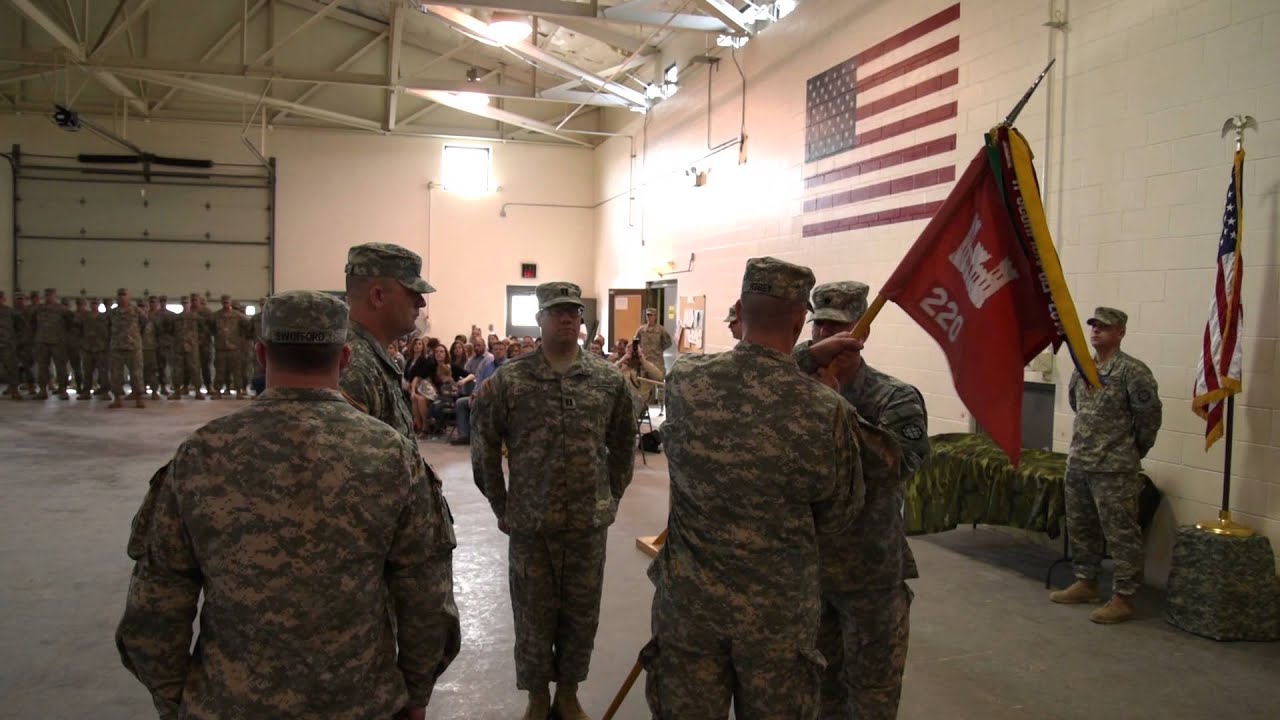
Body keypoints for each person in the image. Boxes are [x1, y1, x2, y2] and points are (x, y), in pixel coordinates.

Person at [115, 290, 460, 720]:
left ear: (261, 355)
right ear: (345, 358)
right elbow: (426, 597)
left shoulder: (202, 453)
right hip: (359, 702)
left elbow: (156, 603)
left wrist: (173, 699)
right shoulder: (392, 456)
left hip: (229, 704)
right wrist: (416, 692)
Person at [641, 257, 871, 719]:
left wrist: (803, 357)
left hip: (691, 606)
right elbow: (842, 513)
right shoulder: (826, 410)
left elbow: (750, 373)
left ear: (741, 310)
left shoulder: (687, 381)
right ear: (800, 319)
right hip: (777, 614)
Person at [472, 281, 636, 720]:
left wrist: (612, 494)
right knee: (532, 616)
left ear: (581, 320)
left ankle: (567, 690)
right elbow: (484, 446)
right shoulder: (510, 380)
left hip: (587, 524)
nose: (567, 318)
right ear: (540, 318)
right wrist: (500, 503)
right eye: (557, 311)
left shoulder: (606, 380)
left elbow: (624, 441)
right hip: (531, 523)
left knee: (581, 615)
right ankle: (537, 696)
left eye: (574, 312)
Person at [793, 281, 930, 720]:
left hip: (871, 571)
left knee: (872, 692)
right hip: (810, 569)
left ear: (861, 332)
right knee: (818, 687)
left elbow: (899, 464)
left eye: (839, 328)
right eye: (820, 329)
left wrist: (836, 409)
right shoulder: (795, 393)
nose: (827, 338)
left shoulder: (895, 397)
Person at [1051, 307, 1162, 624]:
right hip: (1080, 462)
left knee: (1121, 532)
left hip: (1114, 468)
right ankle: (1086, 582)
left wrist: (1130, 451)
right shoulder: (1083, 369)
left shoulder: (1132, 372)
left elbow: (1149, 419)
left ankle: (1124, 597)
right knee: (1081, 525)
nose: (1096, 331)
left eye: (1105, 327)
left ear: (1121, 332)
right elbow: (1077, 406)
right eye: (1094, 326)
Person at [341, 243, 432, 438]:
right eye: (412, 292)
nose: (421, 302)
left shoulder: (371, 357)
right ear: (378, 296)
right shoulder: (353, 365)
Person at [449, 339, 506, 446]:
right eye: (496, 349)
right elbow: (479, 380)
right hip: (480, 395)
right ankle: (465, 435)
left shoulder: (507, 366)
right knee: (461, 402)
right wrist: (473, 394)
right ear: (492, 351)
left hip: (497, 397)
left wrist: (481, 394)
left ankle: (483, 436)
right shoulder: (488, 365)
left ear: (505, 351)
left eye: (501, 349)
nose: (498, 351)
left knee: (481, 403)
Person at [107, 288, 146, 409]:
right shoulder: (112, 312)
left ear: (129, 297)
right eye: (120, 295)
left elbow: (144, 323)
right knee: (116, 374)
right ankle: (117, 399)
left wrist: (136, 337)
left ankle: (139, 398)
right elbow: (107, 326)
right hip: (117, 347)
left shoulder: (136, 311)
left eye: (124, 295)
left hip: (133, 347)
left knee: (136, 373)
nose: (122, 297)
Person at [33, 288, 73, 400]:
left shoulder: (62, 309)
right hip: (42, 342)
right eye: (46, 295)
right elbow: (33, 323)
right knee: (42, 367)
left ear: (55, 296)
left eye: (50, 295)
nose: (48, 297)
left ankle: (63, 390)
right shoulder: (39, 309)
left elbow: (70, 323)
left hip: (57, 342)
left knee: (61, 367)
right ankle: (42, 390)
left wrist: (64, 336)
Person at [171, 297, 206, 400]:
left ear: (190, 304)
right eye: (183, 303)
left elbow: (203, 331)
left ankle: (198, 391)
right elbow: (171, 331)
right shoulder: (177, 318)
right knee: (177, 370)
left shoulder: (197, 318)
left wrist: (198, 342)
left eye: (186, 303)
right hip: (179, 347)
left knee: (195, 369)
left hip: (192, 347)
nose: (184, 304)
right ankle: (177, 391)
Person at [616, 342, 664, 414]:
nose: (634, 355)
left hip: (639, 402)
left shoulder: (646, 368)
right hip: (623, 400)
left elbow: (659, 377)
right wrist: (623, 359)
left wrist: (643, 360)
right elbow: (607, 374)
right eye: (631, 352)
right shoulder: (622, 367)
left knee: (635, 402)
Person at [82, 298, 109, 398]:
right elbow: (80, 330)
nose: (94, 305)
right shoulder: (85, 317)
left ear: (99, 305)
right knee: (87, 371)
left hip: (101, 348)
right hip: (88, 348)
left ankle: (104, 392)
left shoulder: (104, 317)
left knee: (103, 372)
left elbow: (109, 331)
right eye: (92, 303)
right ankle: (86, 392)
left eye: (96, 303)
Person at [0, 290, 18, 399]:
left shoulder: (10, 312)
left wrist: (15, 339)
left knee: (11, 368)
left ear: (4, 299)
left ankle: (14, 390)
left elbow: (20, 326)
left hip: (7, 344)